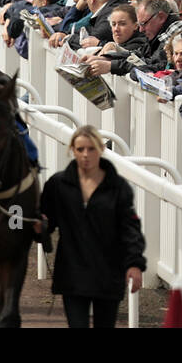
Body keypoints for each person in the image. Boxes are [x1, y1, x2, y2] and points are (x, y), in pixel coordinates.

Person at [39, 125, 146, 328]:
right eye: (80, 150)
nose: (85, 155)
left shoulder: (118, 187)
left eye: (91, 149)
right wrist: (39, 227)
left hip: (108, 272)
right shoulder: (57, 184)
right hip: (72, 271)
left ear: (101, 150)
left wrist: (134, 264)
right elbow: (47, 222)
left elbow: (130, 228)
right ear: (72, 150)